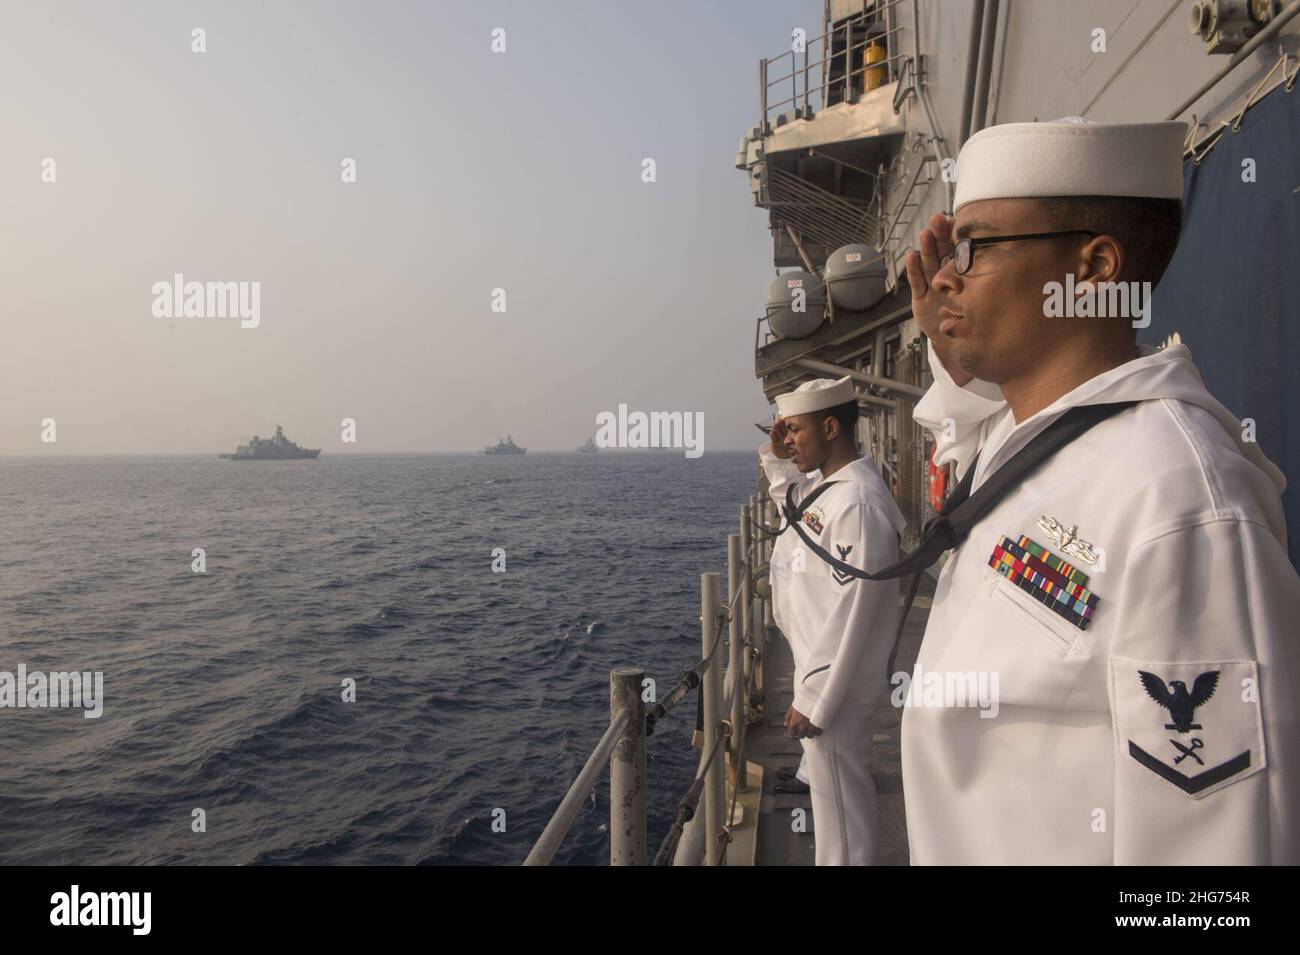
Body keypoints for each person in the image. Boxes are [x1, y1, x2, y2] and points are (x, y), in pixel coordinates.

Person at [900, 116, 1300, 863]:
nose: (947, 274)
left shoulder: (1181, 507)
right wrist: (951, 336)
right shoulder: (1032, 438)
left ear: (1093, 269)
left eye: (976, 247)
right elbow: (963, 422)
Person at [759, 376, 907, 865]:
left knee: (843, 817)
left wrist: (815, 698)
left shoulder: (858, 504)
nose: (788, 440)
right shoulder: (831, 490)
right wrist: (778, 456)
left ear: (829, 426)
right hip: (826, 677)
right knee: (833, 807)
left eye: (795, 431)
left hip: (835, 689)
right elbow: (794, 510)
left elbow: (854, 611)